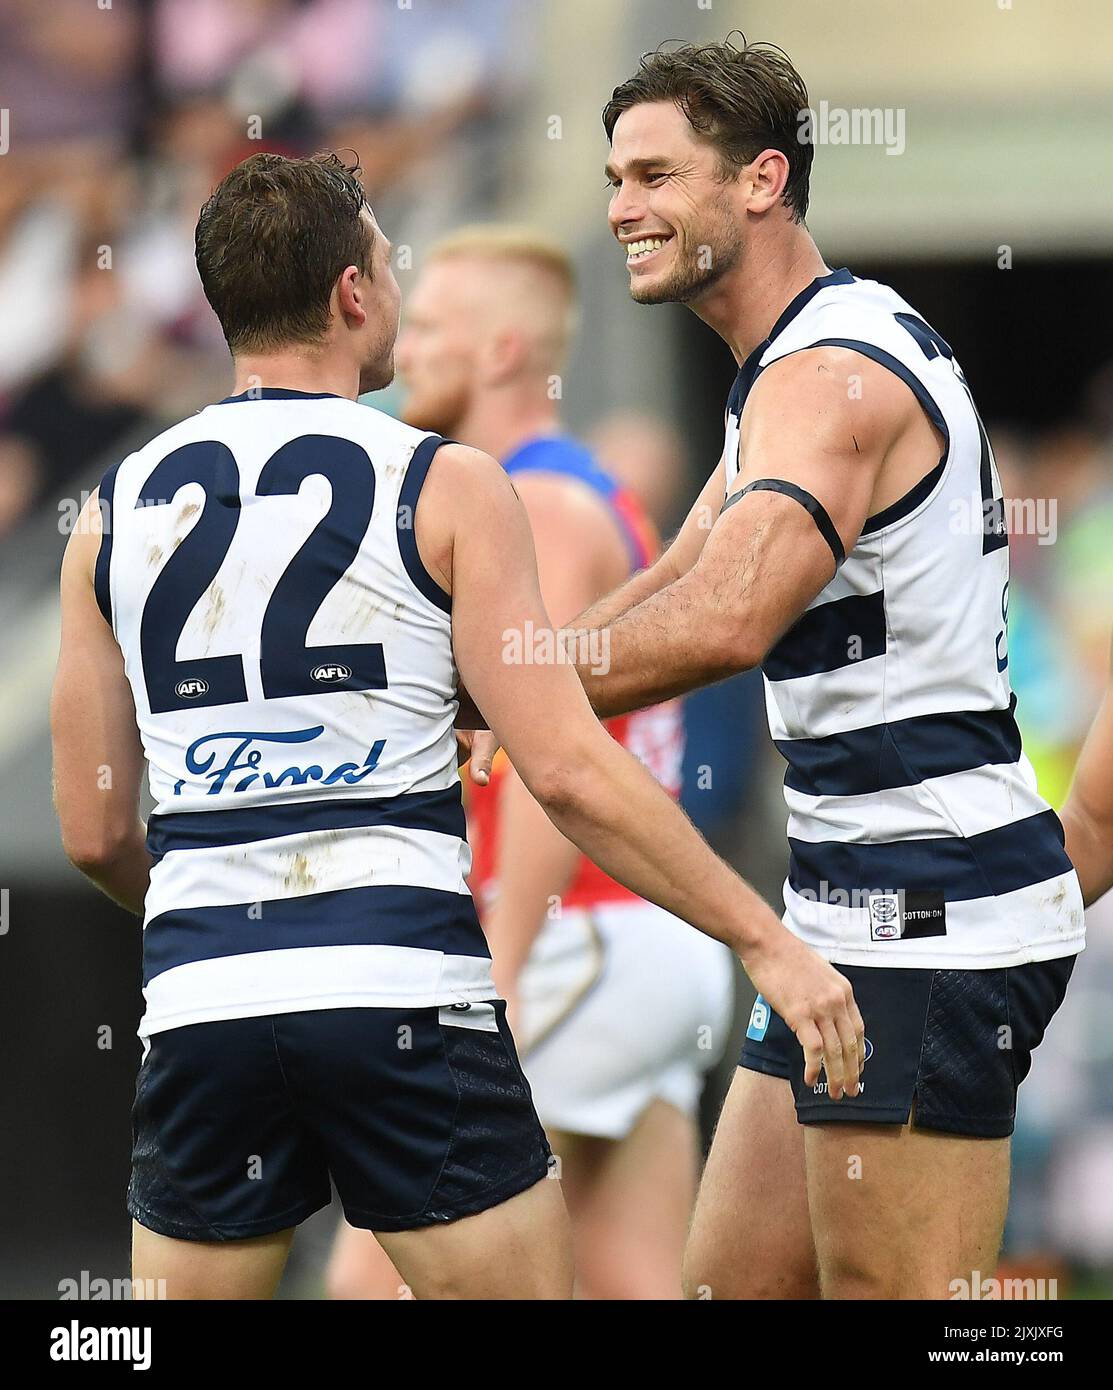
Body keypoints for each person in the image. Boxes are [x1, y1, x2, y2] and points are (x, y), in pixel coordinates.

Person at [50, 150, 862, 1301]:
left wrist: (215, 910)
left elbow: (89, 828)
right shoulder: (450, 482)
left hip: (203, 1004)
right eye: (389, 264)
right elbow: (569, 769)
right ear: (351, 295)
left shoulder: (109, 514)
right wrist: (767, 941)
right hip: (400, 993)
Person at [469, 38, 1083, 1299]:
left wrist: (511, 682)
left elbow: (727, 625)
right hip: (842, 904)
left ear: (760, 180)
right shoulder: (788, 361)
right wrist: (512, 679)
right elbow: (681, 579)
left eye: (652, 175)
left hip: (928, 906)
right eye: (612, 177)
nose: (620, 208)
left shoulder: (828, 374)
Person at [326, 227, 734, 1301]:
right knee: (629, 1275)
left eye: (433, 329)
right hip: (635, 948)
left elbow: (552, 765)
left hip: (568, 935)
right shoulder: (570, 486)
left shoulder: (535, 506)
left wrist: (497, 973)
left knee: (369, 1282)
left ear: (505, 348)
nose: (403, 351)